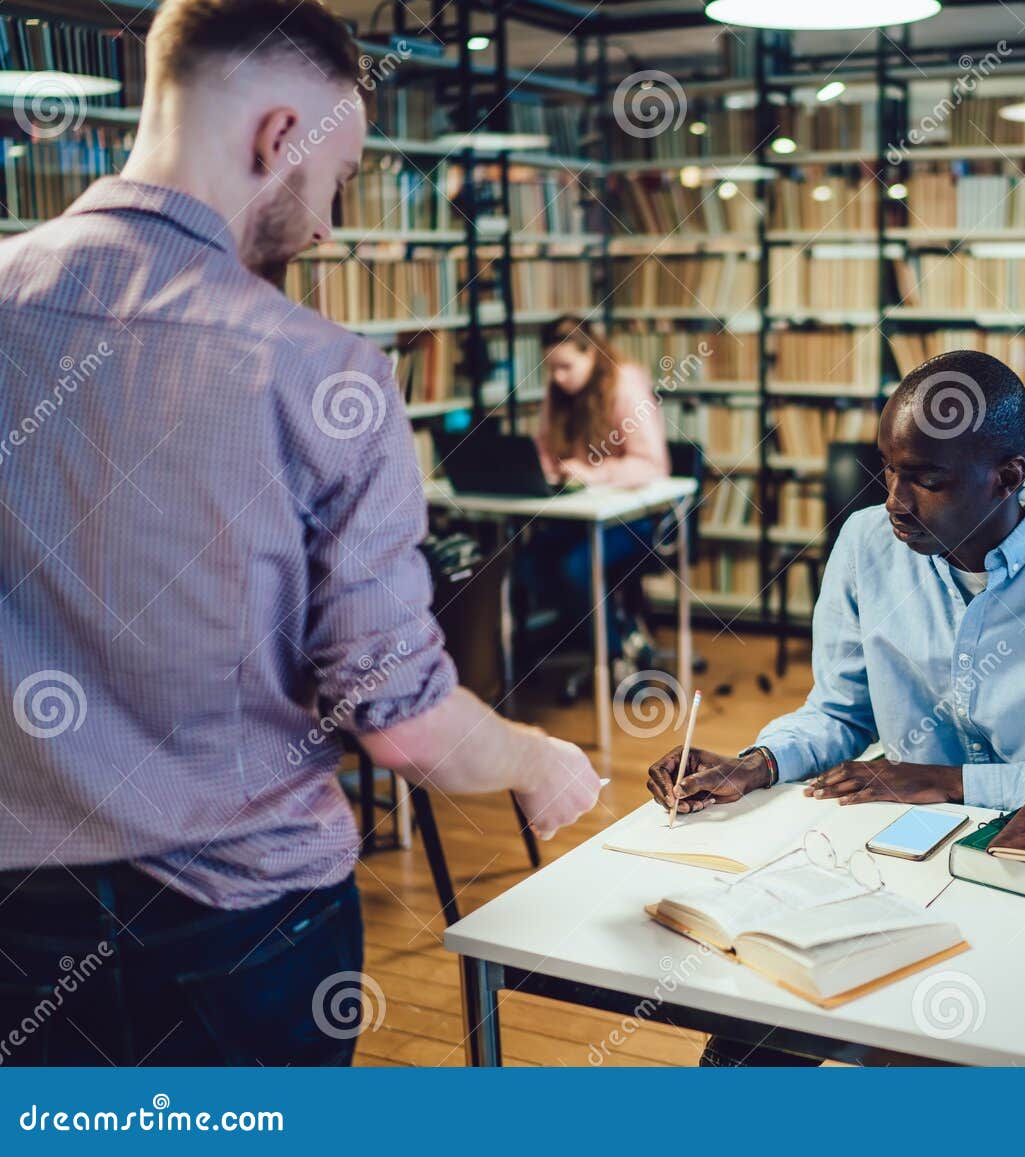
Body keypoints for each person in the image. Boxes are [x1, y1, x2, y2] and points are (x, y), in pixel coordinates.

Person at [0, 0, 600, 1067]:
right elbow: (405, 729)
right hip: (239, 929)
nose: (329, 225)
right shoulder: (324, 374)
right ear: (281, 137)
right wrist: (534, 756)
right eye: (339, 179)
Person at [646, 349, 1025, 1065]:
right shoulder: (867, 545)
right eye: (889, 468)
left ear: (1008, 477)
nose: (896, 500)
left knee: (940, 1045)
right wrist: (757, 763)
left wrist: (953, 781)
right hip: (897, 863)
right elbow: (843, 712)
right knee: (747, 1038)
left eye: (928, 479)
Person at [525, 316, 669, 672]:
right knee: (529, 564)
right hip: (584, 515)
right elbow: (544, 448)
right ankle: (619, 630)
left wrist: (594, 473)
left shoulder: (625, 385)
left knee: (577, 567)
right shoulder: (558, 392)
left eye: (565, 366)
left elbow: (653, 464)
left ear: (591, 353)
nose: (557, 377)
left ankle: (614, 655)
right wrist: (545, 468)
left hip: (636, 518)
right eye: (551, 368)